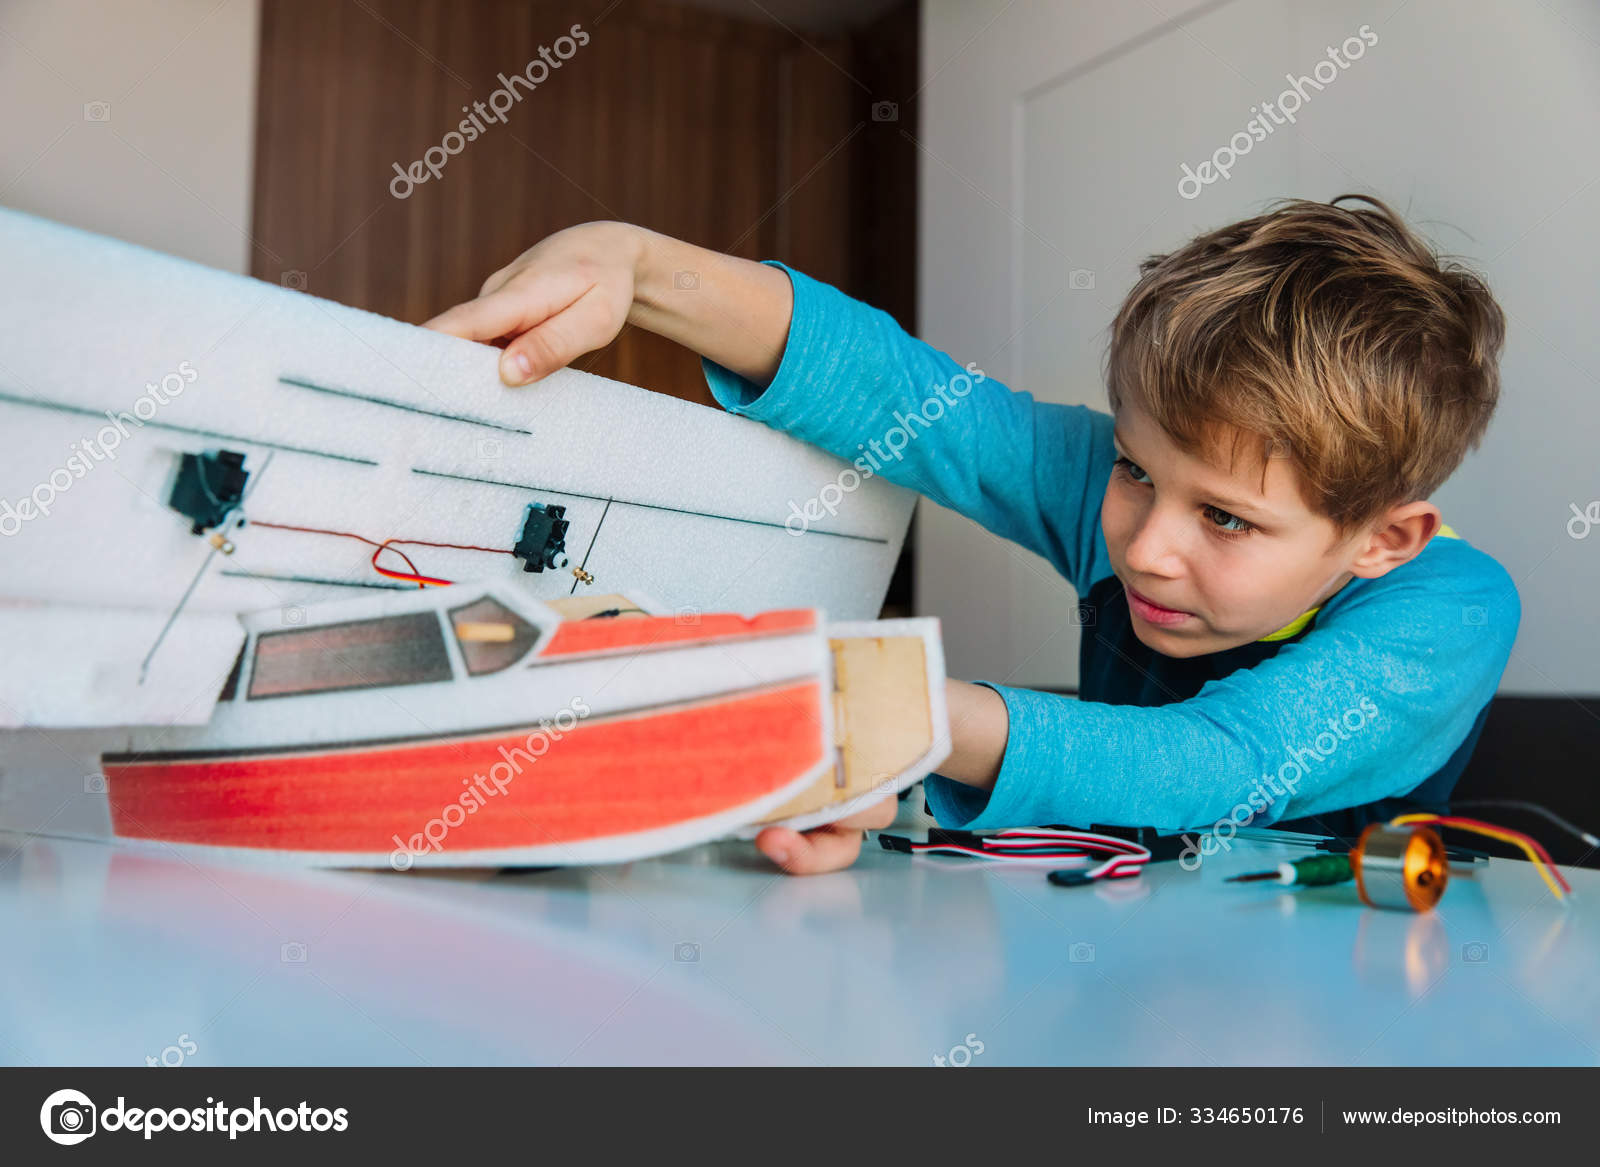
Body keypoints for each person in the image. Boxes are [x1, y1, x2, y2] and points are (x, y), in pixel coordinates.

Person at [425, 195, 1517, 876]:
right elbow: (905, 397)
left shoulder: (1449, 609)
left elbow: (1214, 762)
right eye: (1135, 468)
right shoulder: (1124, 494)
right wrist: (633, 259)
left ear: (1383, 538)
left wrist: (866, 705)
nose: (1143, 545)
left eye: (1225, 518)